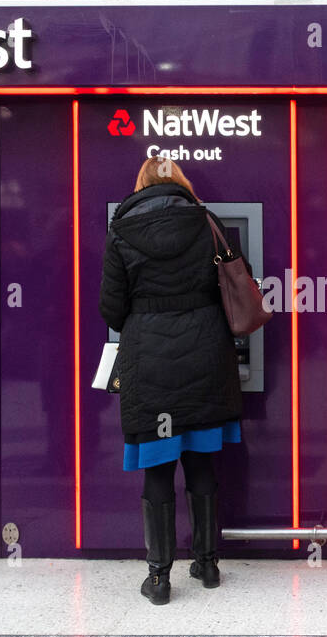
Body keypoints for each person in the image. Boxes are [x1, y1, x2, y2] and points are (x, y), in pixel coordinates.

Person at [100, 158, 246, 605]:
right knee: (201, 462)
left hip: (151, 363)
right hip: (204, 357)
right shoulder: (206, 221)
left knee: (159, 467)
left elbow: (111, 308)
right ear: (180, 183)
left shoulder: (121, 230)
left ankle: (159, 579)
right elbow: (235, 282)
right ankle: (208, 564)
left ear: (140, 183)